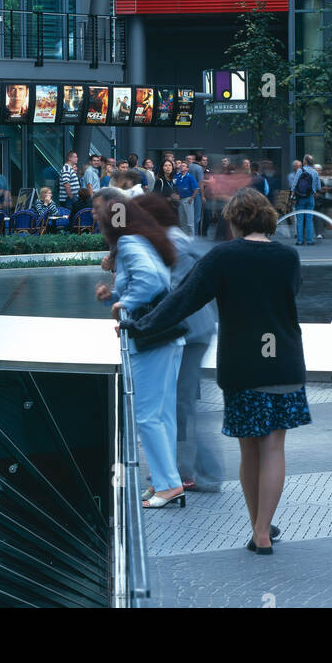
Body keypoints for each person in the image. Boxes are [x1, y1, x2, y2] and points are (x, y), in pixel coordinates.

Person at [131, 187, 310, 554]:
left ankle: (257, 530)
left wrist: (143, 324)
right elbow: (291, 294)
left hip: (243, 363)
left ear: (233, 221)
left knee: (249, 450)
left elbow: (185, 299)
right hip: (286, 361)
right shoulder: (288, 257)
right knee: (275, 447)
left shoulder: (223, 257)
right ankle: (264, 530)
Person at [94, 192, 185, 509]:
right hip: (168, 337)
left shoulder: (130, 243)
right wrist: (114, 295)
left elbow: (151, 281)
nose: (94, 216)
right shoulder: (140, 240)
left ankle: (168, 485)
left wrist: (123, 303)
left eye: (97, 211)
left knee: (147, 416)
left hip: (152, 340)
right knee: (162, 415)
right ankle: (167, 480)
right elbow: (147, 280)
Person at [136, 193, 223, 495]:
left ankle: (197, 473)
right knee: (178, 403)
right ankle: (183, 468)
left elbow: (173, 289)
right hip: (189, 331)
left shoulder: (172, 243)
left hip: (191, 331)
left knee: (181, 404)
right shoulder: (168, 239)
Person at [293, 156, 321, 246]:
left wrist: (292, 195)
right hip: (310, 197)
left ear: (305, 161)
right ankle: (310, 240)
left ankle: (300, 240)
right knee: (309, 219)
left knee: (300, 219)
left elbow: (294, 185)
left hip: (300, 197)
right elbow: (319, 187)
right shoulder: (315, 172)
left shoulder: (299, 171)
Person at [173, 159, 200, 236]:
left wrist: (192, 198)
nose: (181, 167)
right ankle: (184, 237)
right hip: (180, 200)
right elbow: (174, 186)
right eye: (181, 166)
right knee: (182, 221)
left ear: (187, 168)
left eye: (184, 166)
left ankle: (192, 239)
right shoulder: (177, 176)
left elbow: (196, 189)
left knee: (190, 221)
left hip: (187, 199)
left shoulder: (190, 177)